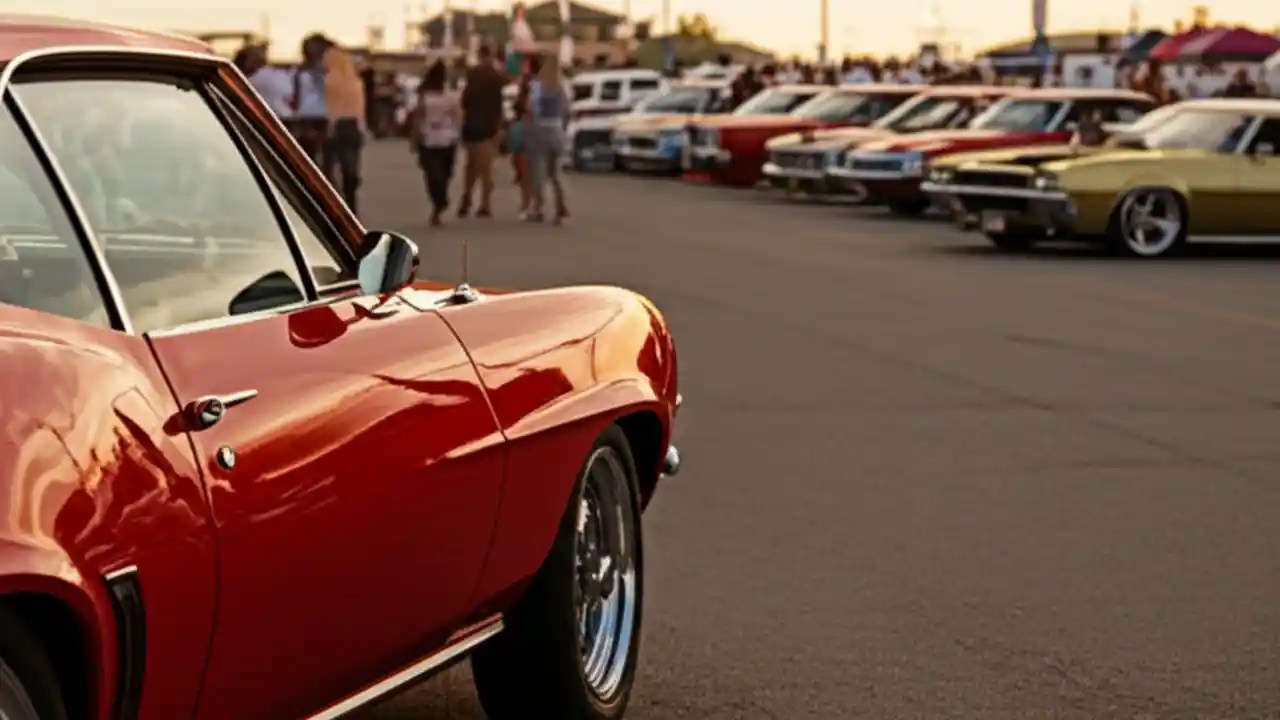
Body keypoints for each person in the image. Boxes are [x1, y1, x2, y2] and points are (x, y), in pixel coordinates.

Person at [310, 34, 366, 215]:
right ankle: (347, 205)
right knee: (344, 169)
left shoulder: (326, 68)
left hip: (336, 122)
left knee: (331, 169)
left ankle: (339, 206)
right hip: (348, 123)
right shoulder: (348, 66)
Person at [408, 60, 461, 226]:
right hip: (446, 140)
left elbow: (418, 118)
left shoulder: (425, 96)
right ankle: (440, 202)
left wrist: (414, 139)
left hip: (430, 139)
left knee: (433, 176)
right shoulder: (451, 96)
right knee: (444, 174)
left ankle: (439, 202)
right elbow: (458, 117)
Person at [458, 44, 506, 218]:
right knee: (485, 167)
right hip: (488, 125)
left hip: (472, 124)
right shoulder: (495, 76)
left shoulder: (473, 74)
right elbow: (499, 103)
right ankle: (484, 203)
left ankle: (467, 197)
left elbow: (464, 101)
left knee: (471, 165)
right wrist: (500, 126)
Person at [524, 53, 570, 224]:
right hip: (557, 130)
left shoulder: (537, 86)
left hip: (540, 130)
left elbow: (531, 108)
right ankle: (560, 207)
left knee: (538, 173)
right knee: (555, 174)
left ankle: (538, 208)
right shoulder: (563, 86)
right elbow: (567, 111)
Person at [292, 36, 329, 165]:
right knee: (308, 156)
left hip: (325, 116)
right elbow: (296, 94)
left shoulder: (329, 70)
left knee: (328, 157)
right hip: (307, 116)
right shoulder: (299, 72)